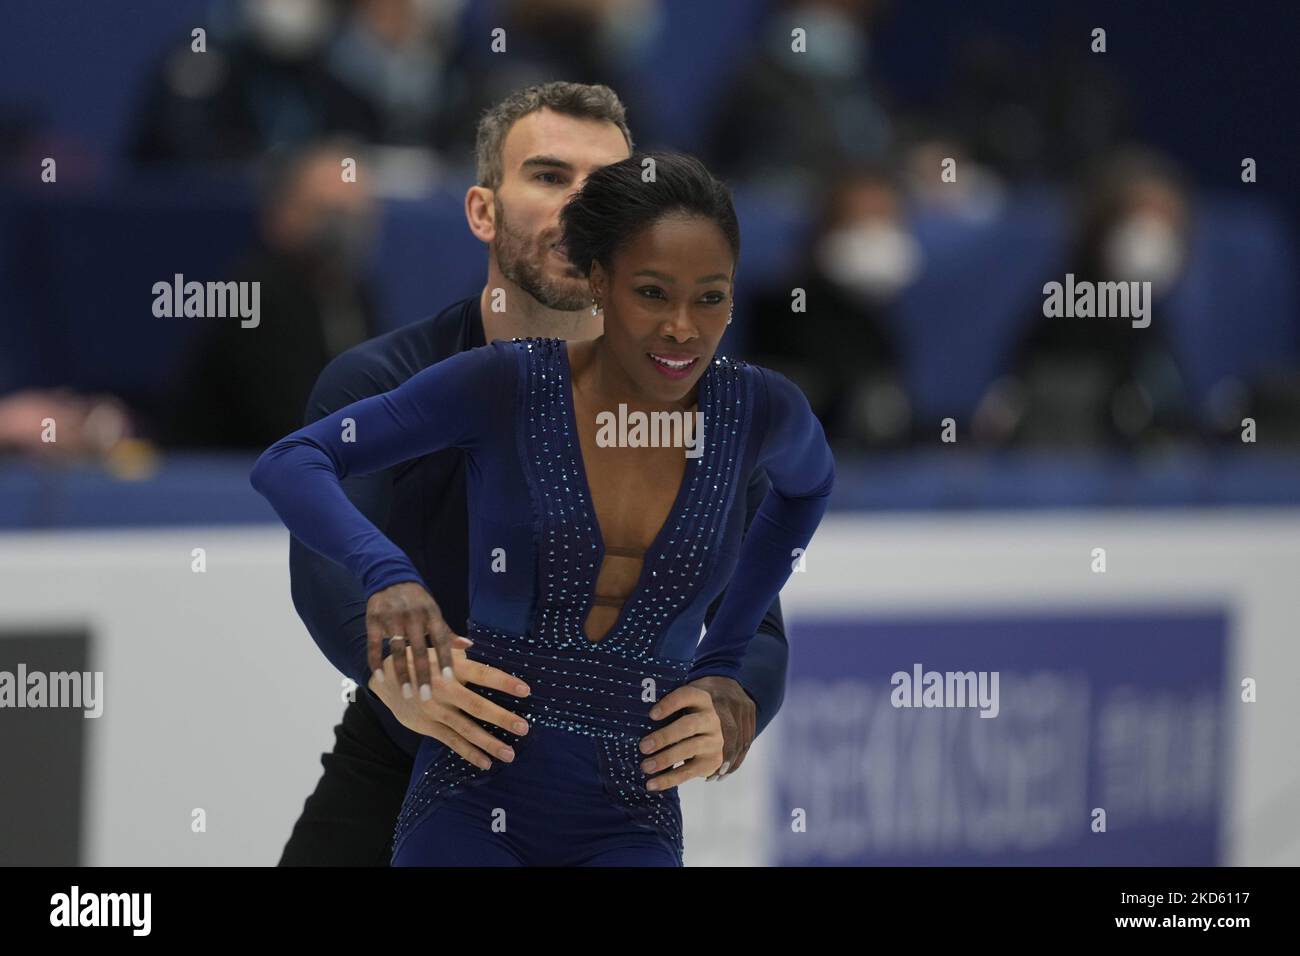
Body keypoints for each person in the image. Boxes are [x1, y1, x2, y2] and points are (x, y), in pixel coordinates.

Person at [251, 151, 835, 865]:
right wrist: (386, 574)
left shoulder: (755, 410)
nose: (683, 327)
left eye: (710, 298)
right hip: (465, 792)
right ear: (599, 280)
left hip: (632, 812)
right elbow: (292, 462)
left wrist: (725, 661)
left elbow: (808, 490)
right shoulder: (502, 384)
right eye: (652, 293)